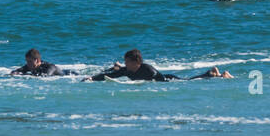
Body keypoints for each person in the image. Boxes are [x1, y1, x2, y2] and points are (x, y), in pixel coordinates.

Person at [88, 49, 233, 81]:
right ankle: (211, 73)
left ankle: (218, 75)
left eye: (126, 61)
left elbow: (161, 82)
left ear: (135, 62)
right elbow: (110, 75)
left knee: (188, 81)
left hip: (169, 80)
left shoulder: (148, 70)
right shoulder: (127, 70)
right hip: (163, 79)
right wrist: (92, 78)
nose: (124, 64)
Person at [11, 48, 78, 77]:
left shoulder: (49, 67)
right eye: (27, 61)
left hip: (70, 74)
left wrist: (25, 75)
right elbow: (17, 71)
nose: (28, 63)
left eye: (30, 61)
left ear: (37, 60)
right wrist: (15, 73)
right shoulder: (29, 66)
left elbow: (46, 76)